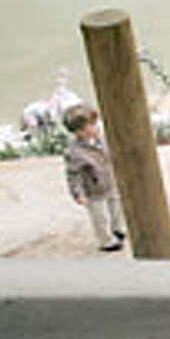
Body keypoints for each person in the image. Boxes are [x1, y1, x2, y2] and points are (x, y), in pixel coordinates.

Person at [62, 103, 126, 254]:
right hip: (93, 190)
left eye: (95, 124)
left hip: (110, 182)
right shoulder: (75, 152)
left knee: (116, 208)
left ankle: (117, 229)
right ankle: (106, 241)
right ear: (78, 131)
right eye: (89, 126)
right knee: (100, 217)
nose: (95, 128)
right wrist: (78, 194)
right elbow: (73, 175)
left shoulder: (102, 140)